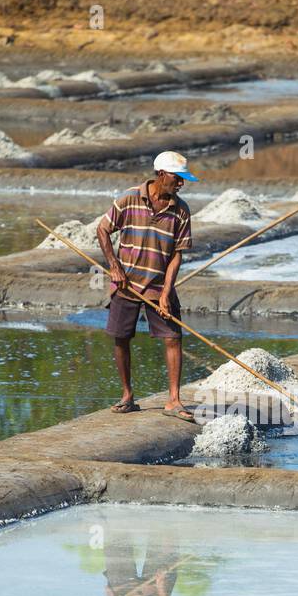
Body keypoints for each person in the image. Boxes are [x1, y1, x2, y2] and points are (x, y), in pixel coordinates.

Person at [96, 150, 199, 422]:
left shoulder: (181, 210)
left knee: (173, 338)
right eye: (177, 178)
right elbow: (102, 229)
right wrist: (115, 267)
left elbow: (177, 253)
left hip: (158, 283)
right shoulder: (130, 198)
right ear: (162, 175)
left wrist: (166, 292)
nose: (181, 184)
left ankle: (174, 400)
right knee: (121, 336)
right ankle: (128, 395)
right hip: (127, 283)